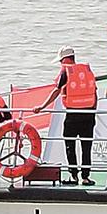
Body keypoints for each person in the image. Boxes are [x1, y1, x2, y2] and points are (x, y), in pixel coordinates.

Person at [37, 48, 100, 184]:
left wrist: (42, 106)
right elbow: (95, 93)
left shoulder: (65, 71)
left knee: (70, 145)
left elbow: (56, 91)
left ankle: (73, 175)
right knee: (86, 146)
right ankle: (85, 177)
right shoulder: (87, 71)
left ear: (63, 60)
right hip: (89, 114)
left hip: (72, 114)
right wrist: (93, 111)